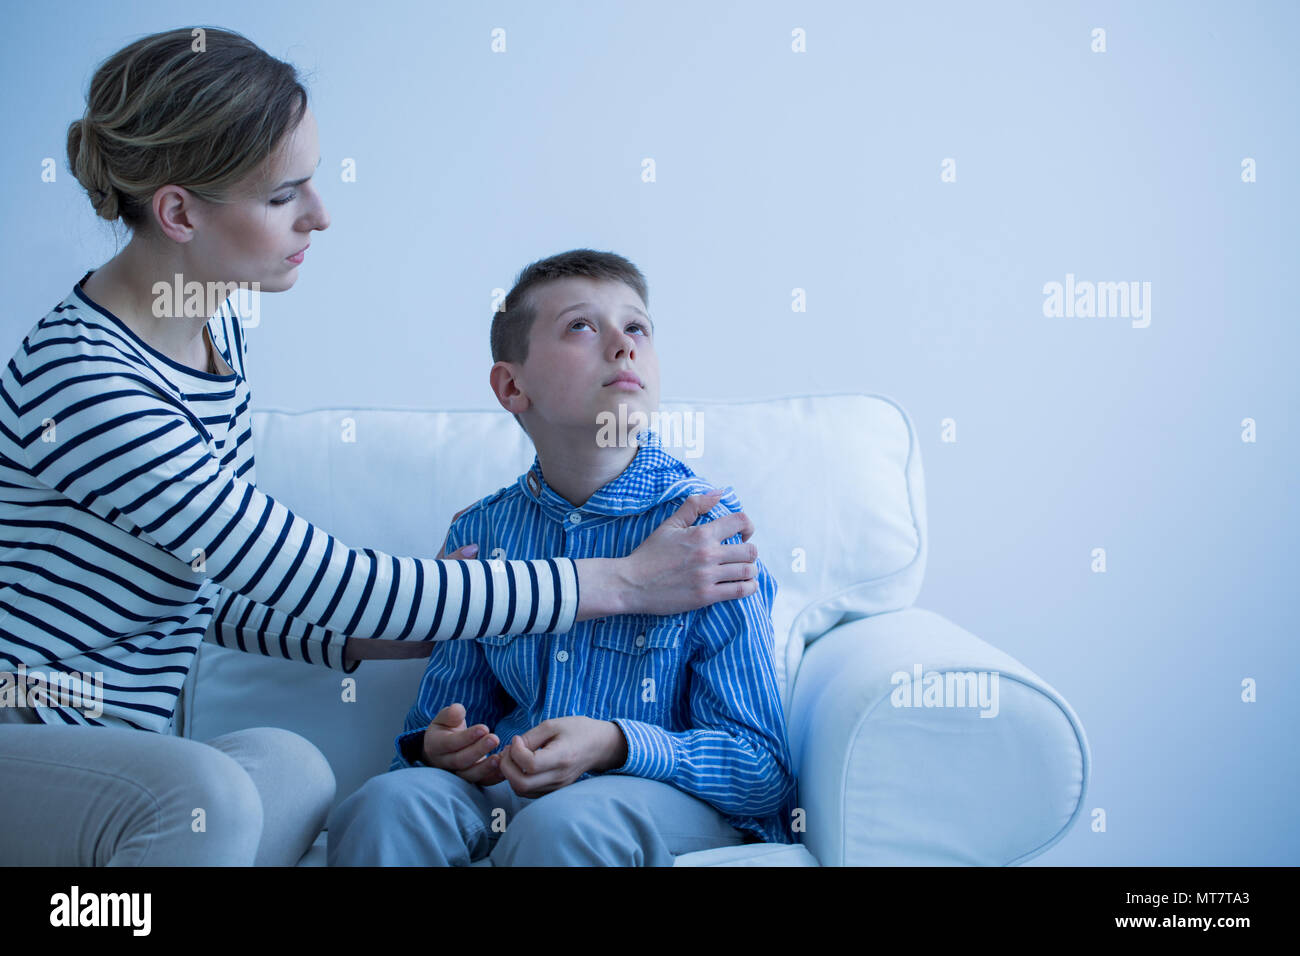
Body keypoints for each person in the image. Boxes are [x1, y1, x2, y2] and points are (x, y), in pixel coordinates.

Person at [0, 28, 761, 866]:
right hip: (30, 724)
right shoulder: (87, 384)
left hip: (116, 741)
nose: (322, 214)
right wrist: (620, 582)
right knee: (207, 794)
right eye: (286, 194)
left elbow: (202, 585)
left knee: (289, 769)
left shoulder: (215, 339)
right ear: (179, 212)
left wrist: (380, 639)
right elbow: (308, 575)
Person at [327, 250, 796, 866]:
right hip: (513, 795)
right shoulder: (482, 533)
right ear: (512, 386)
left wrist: (615, 744)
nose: (623, 346)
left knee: (561, 826)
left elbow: (761, 769)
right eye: (582, 325)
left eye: (637, 327)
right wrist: (439, 748)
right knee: (385, 803)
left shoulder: (706, 533)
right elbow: (439, 722)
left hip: (660, 796)